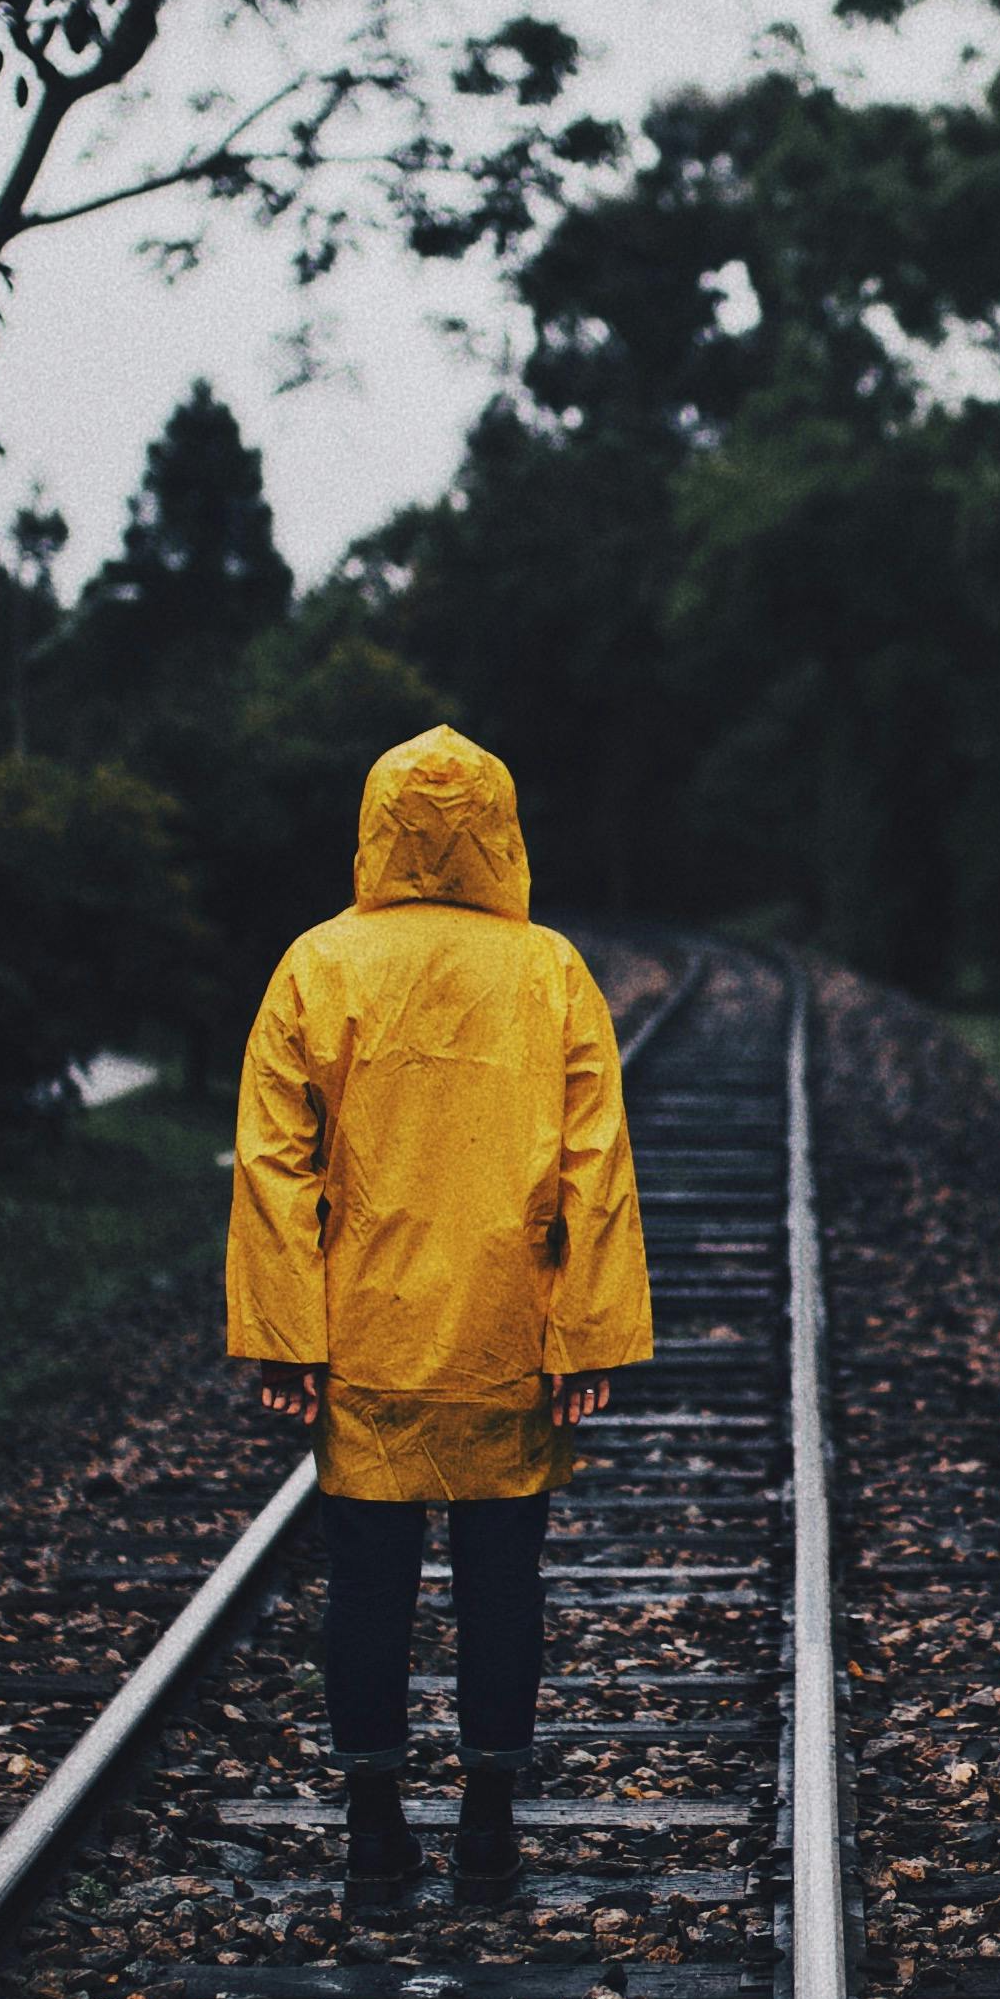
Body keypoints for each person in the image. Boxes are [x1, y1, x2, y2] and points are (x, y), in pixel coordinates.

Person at [224, 724, 651, 1906]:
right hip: (508, 1333)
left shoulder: (317, 964)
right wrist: (592, 1335)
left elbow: (273, 1161)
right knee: (501, 1578)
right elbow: (595, 1164)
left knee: (368, 1581)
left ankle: (372, 1834)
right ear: (500, 829)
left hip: (366, 1338)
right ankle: (489, 1827)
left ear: (377, 824)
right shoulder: (551, 970)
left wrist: (283, 1336)